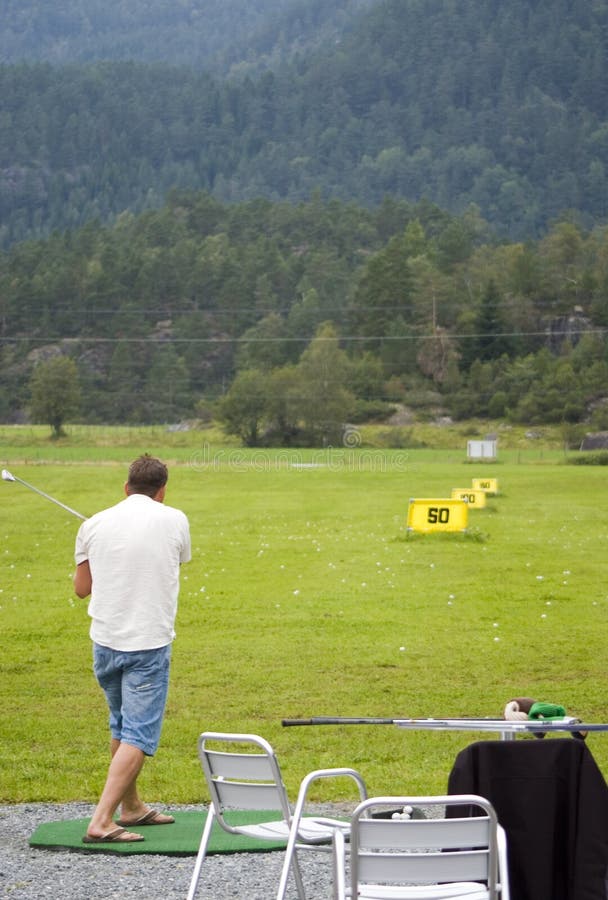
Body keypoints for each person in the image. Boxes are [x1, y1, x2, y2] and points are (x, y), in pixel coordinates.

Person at [73, 454, 191, 843]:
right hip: (147, 644)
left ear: (126, 487)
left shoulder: (93, 524)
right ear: (162, 491)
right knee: (138, 735)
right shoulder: (175, 518)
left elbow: (81, 588)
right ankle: (102, 820)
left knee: (121, 726)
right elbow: (177, 560)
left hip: (104, 643)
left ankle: (132, 807)